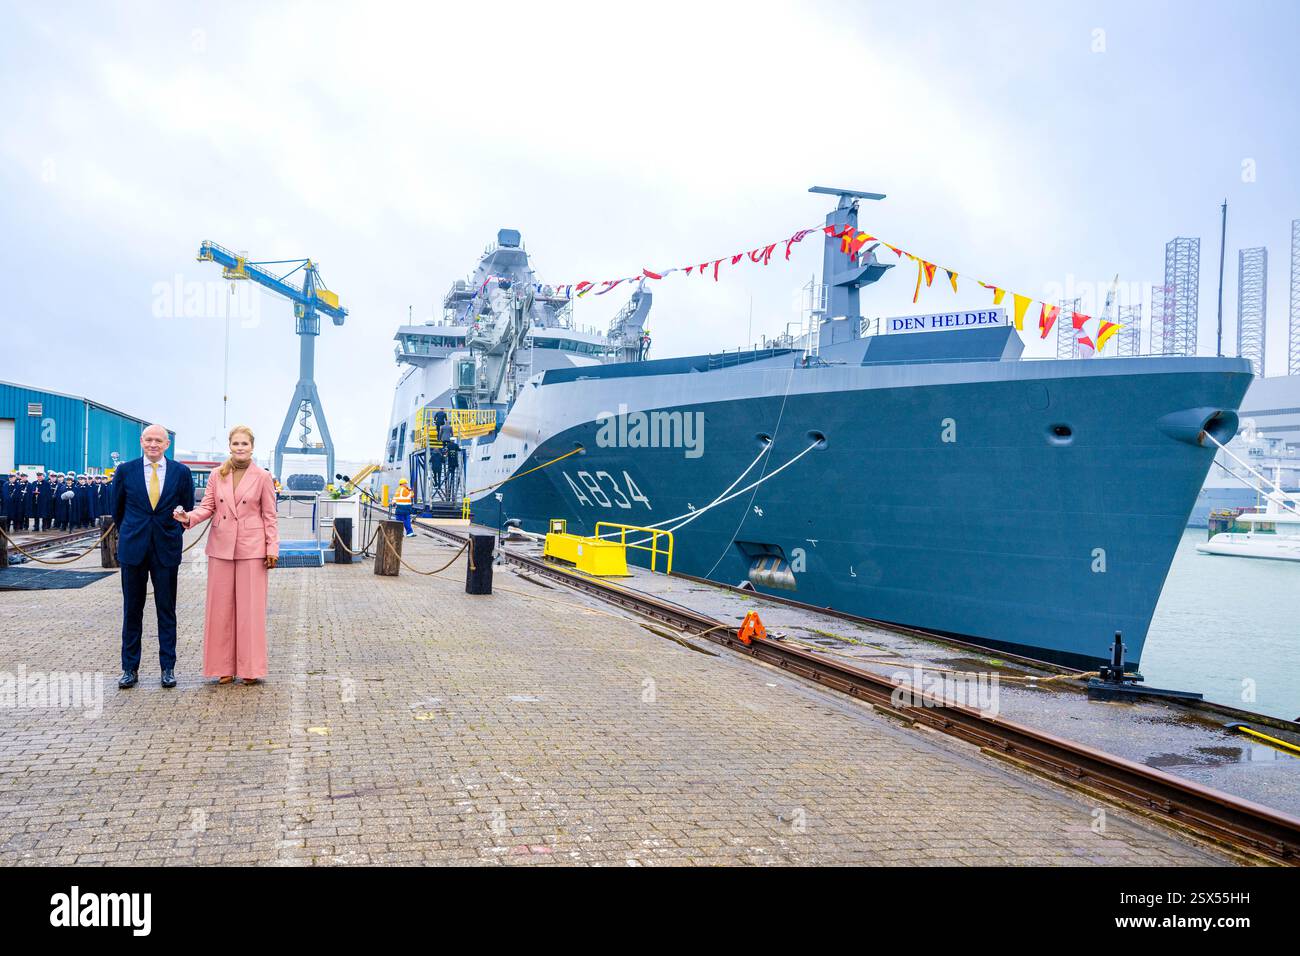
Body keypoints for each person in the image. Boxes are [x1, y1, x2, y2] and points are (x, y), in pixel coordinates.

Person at [175, 425, 278, 685]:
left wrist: (272, 547)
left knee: (250, 611)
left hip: (252, 549)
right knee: (219, 610)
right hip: (221, 547)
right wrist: (188, 517)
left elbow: (270, 515)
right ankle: (222, 667)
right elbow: (207, 506)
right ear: (229, 446)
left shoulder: (263, 477)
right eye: (235, 444)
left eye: (244, 444)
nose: (240, 448)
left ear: (252, 447)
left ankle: (250, 668)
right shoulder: (216, 475)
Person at [112, 425, 193, 689]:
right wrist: (134, 531)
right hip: (133, 550)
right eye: (149, 440)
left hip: (166, 550)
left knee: (166, 611)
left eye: (158, 440)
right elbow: (117, 511)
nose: (153, 444)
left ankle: (167, 668)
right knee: (132, 611)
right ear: (141, 442)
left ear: (167, 444)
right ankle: (129, 669)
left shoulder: (181, 472)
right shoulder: (125, 471)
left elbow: (187, 506)